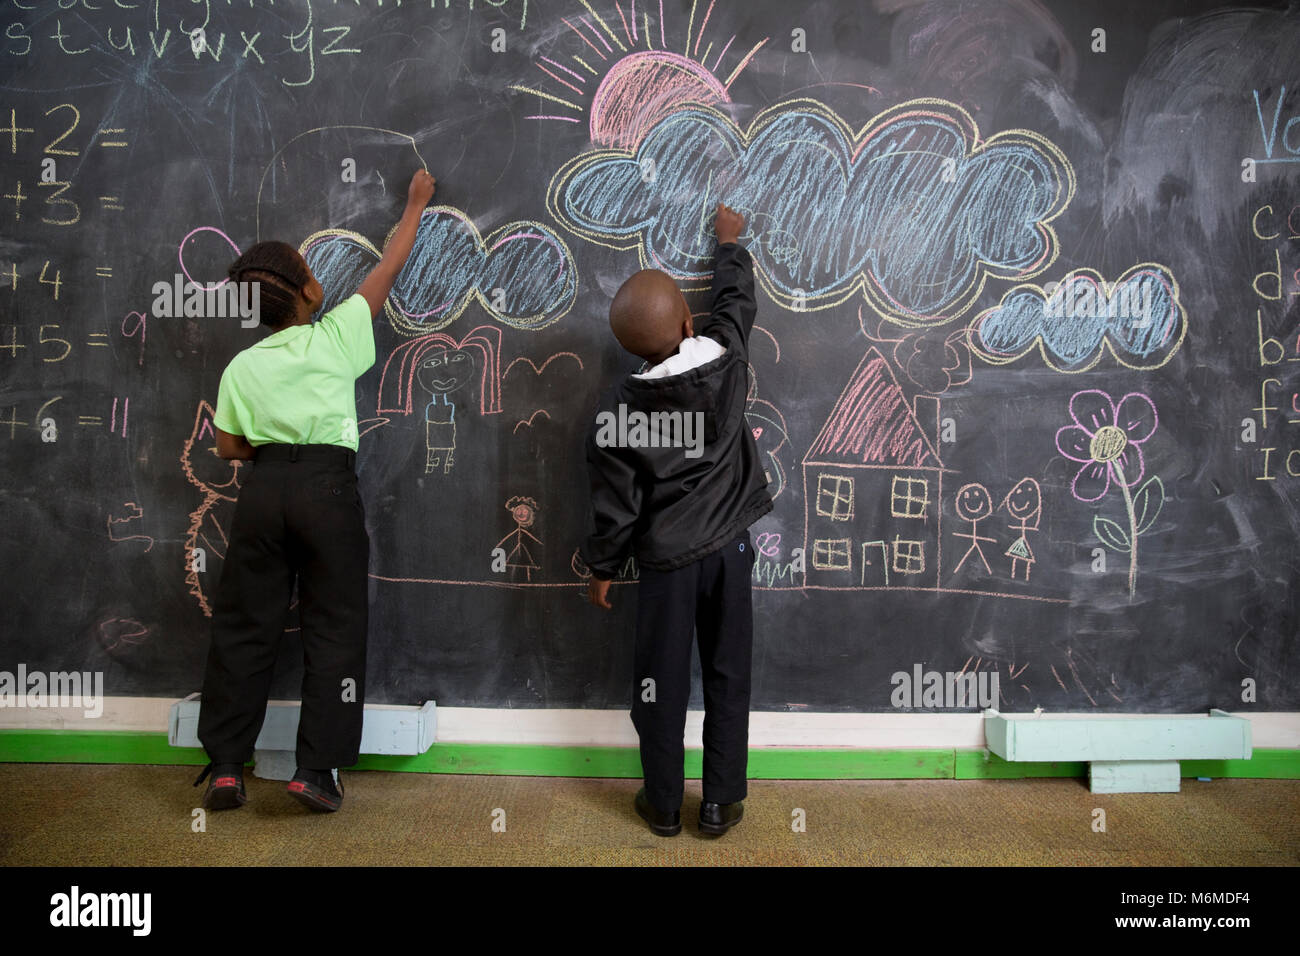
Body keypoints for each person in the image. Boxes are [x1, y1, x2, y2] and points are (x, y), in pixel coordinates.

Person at [193, 168, 436, 813]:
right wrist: (415, 203)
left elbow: (226, 448)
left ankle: (224, 765)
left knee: (245, 624)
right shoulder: (337, 336)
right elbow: (387, 267)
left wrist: (268, 452)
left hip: (264, 491)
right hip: (328, 491)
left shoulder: (242, 366)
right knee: (334, 627)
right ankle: (317, 770)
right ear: (311, 288)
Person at [581, 204, 773, 836]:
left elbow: (617, 502)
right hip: (729, 552)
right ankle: (720, 802)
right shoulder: (726, 357)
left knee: (657, 684)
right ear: (690, 321)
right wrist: (728, 243)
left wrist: (604, 568)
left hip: (666, 563)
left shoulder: (619, 410)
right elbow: (737, 301)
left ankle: (662, 804)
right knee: (728, 672)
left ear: (627, 350)